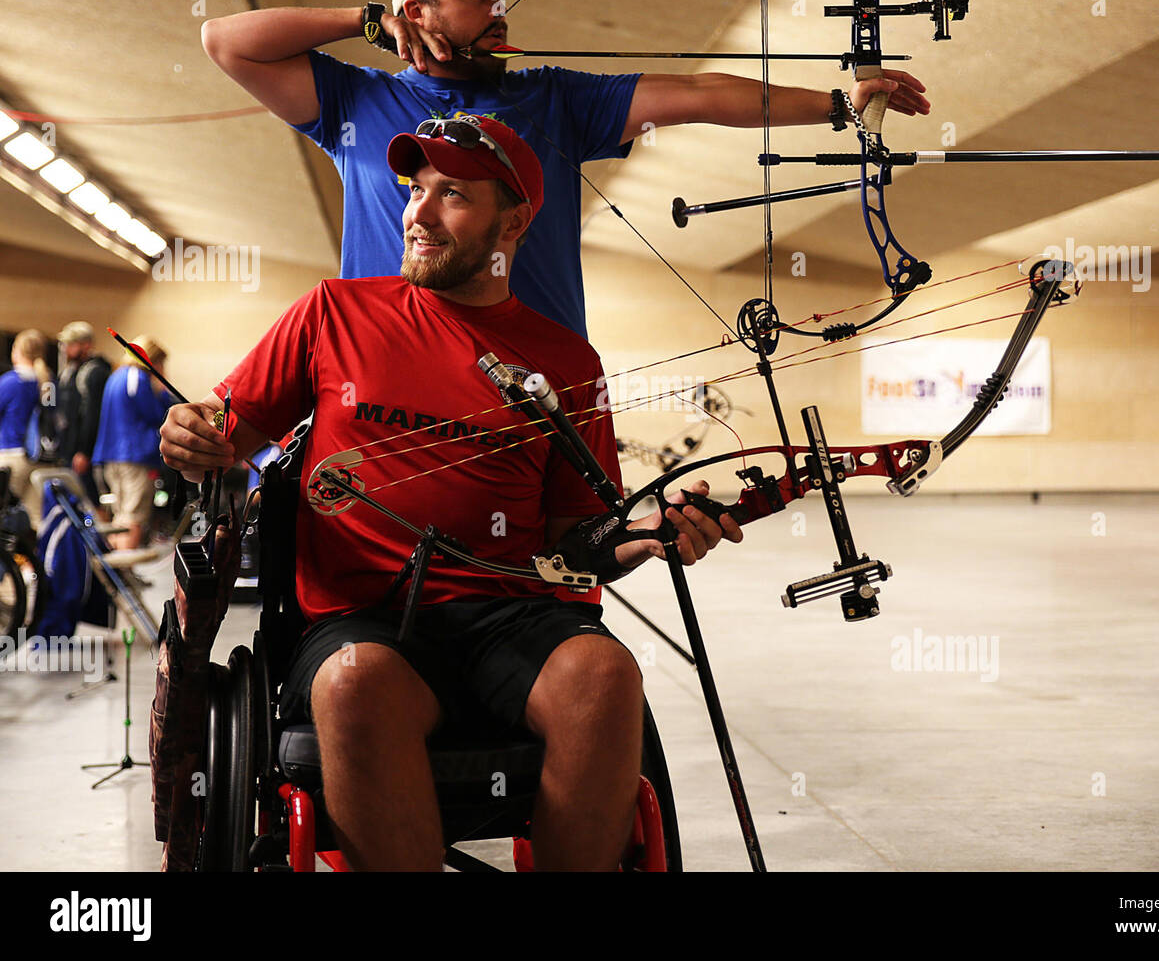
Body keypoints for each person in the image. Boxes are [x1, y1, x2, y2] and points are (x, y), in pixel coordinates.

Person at [159, 118, 741, 871]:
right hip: (363, 624)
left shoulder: (566, 360)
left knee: (606, 674)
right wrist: (191, 437)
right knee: (355, 682)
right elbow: (221, 432)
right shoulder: (333, 312)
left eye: (453, 195)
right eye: (416, 190)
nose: (419, 213)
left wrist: (649, 534)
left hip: (516, 620)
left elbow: (578, 541)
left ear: (514, 220)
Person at [200, 0, 931, 335]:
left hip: (535, 377)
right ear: (416, 10)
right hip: (392, 370)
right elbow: (225, 40)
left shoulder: (552, 98)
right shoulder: (355, 100)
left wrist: (838, 103)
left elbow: (702, 94)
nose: (499, 5)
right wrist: (362, 21)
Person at [92, 336, 174, 550]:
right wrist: (162, 390)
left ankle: (119, 573)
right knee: (134, 516)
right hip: (135, 456)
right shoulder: (138, 377)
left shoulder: (116, 375)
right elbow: (157, 415)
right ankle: (124, 574)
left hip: (112, 456)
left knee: (121, 516)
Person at [54, 321, 111, 503]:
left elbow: (93, 415)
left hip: (86, 453)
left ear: (86, 345)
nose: (66, 350)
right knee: (75, 500)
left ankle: (97, 531)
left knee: (91, 500)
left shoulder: (95, 372)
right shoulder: (69, 373)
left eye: (72, 344)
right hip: (69, 450)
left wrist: (85, 452)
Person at [0, 330, 52, 521]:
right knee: (36, 516)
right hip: (39, 456)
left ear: (17, 351)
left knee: (4, 511)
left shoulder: (11, 381)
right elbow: (53, 413)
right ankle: (41, 550)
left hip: (12, 455)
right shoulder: (48, 382)